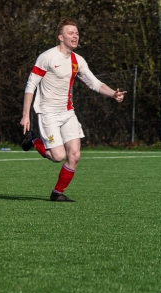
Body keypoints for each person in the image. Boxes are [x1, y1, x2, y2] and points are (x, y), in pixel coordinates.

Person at [20, 18, 126, 202]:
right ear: (61, 37)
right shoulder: (47, 57)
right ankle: (33, 139)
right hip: (48, 114)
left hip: (68, 113)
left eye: (76, 33)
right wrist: (25, 115)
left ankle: (57, 193)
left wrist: (113, 94)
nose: (75, 36)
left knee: (75, 155)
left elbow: (94, 83)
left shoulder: (78, 60)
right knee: (58, 156)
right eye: (71, 33)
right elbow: (31, 85)